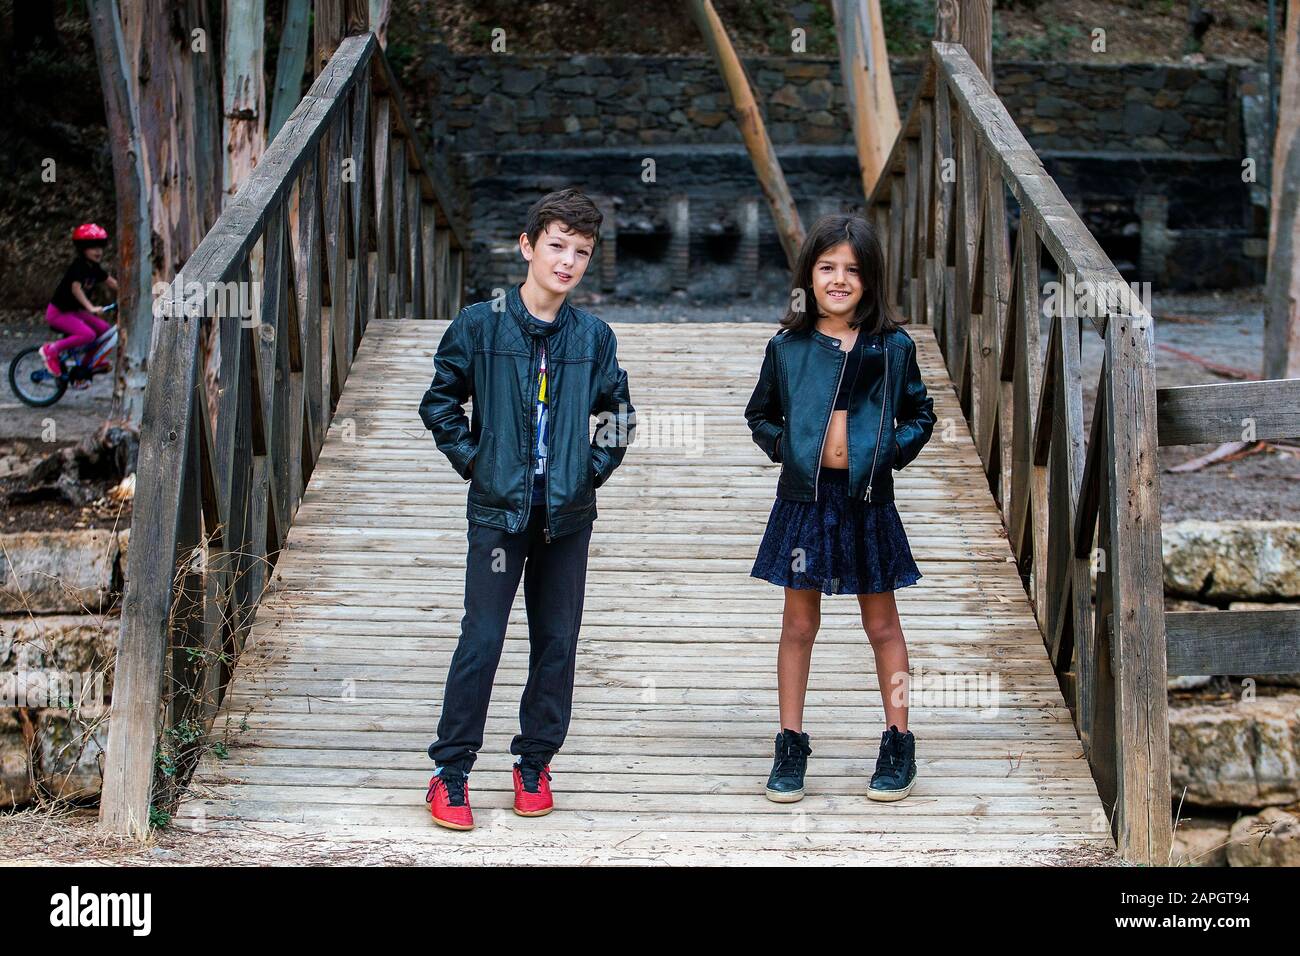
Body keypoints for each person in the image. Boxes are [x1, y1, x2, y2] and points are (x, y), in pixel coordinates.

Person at [418, 188, 635, 830]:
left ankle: (534, 762)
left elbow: (619, 417)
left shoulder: (593, 337)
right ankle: (450, 772)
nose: (567, 262)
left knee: (557, 643)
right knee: (481, 639)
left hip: (565, 519)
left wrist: (585, 475)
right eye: (557, 247)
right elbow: (440, 402)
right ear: (528, 246)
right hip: (497, 514)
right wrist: (477, 462)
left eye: (581, 253)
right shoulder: (481, 323)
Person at [744, 213, 936, 805]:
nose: (839, 279)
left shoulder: (893, 347)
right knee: (798, 625)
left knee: (882, 625)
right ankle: (790, 742)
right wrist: (790, 450)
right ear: (809, 275)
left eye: (852, 270)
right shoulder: (788, 347)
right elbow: (761, 415)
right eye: (827, 267)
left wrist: (885, 456)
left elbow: (921, 415)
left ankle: (898, 741)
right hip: (804, 500)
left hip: (868, 500)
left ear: (870, 280)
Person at [42, 223, 117, 387]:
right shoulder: (78, 266)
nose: (98, 251)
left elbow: (112, 283)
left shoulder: (94, 268)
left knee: (105, 331)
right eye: (92, 247)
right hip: (58, 313)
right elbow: (75, 289)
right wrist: (91, 308)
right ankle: (51, 350)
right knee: (88, 335)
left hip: (74, 311)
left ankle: (85, 367)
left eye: (100, 247)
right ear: (83, 249)